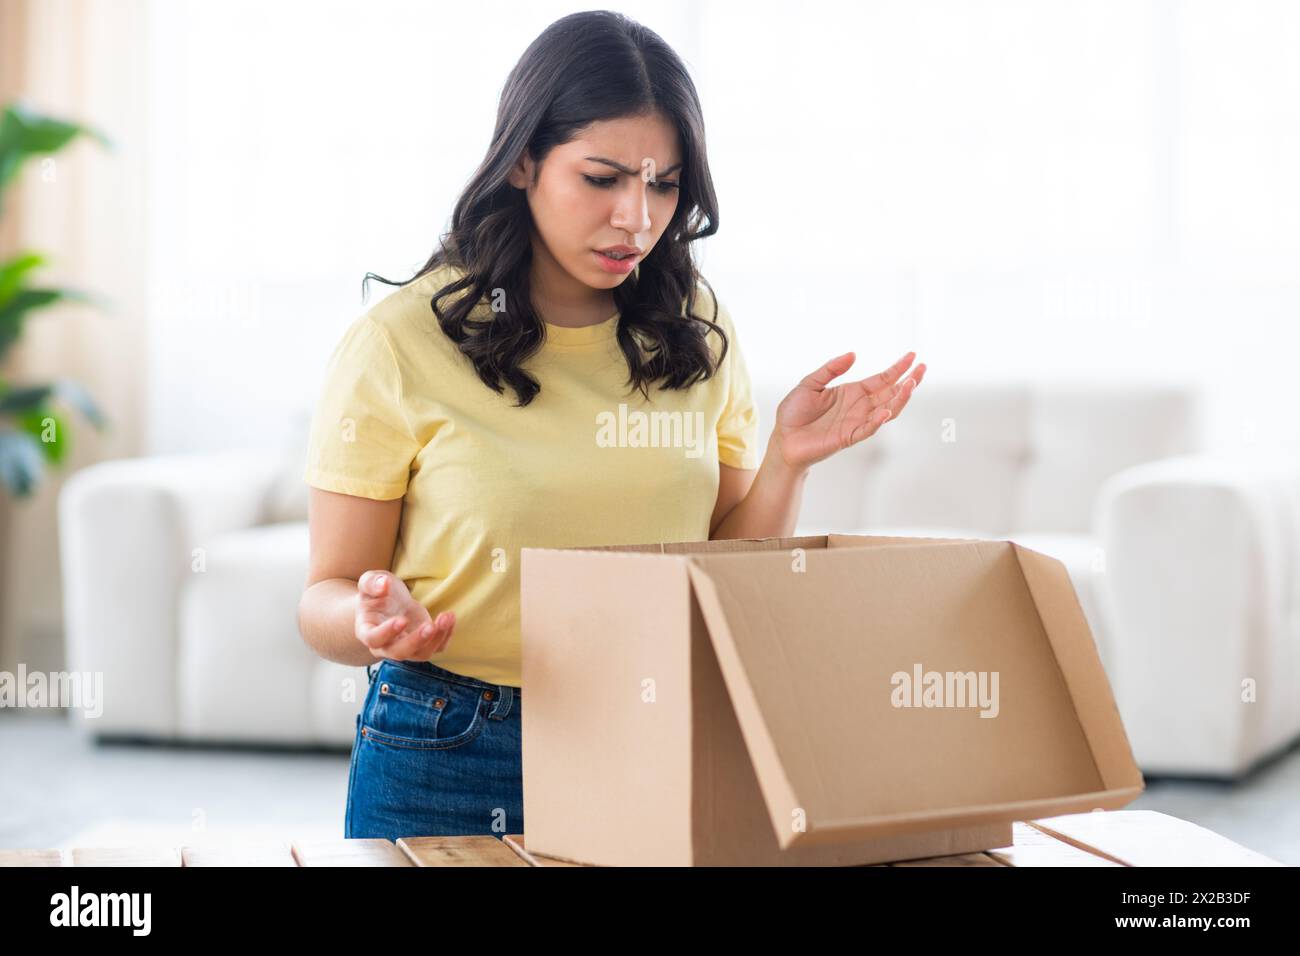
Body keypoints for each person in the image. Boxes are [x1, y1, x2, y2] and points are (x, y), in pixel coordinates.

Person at [296, 10, 925, 842]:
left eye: (663, 184)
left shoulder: (693, 324)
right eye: (603, 178)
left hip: (653, 731)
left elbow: (725, 568)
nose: (638, 217)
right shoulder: (399, 342)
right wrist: (369, 622)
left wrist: (788, 463)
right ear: (522, 160)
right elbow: (324, 598)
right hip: (450, 743)